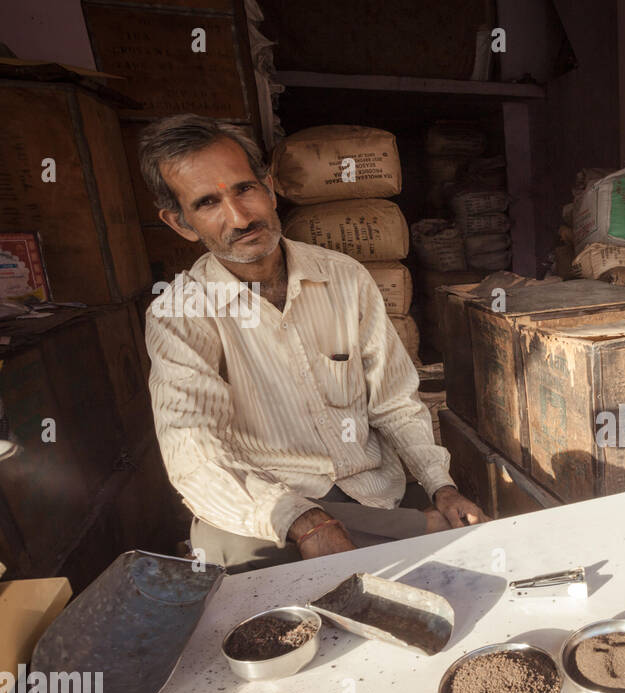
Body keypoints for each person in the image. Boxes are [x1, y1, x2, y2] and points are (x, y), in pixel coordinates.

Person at [138, 114, 485, 572]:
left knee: (462, 540)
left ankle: (407, 528)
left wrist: (441, 485)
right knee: (220, 541)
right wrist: (307, 522)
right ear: (181, 224)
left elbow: (395, 403)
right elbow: (194, 455)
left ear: (269, 186)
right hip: (278, 504)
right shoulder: (178, 312)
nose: (240, 217)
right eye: (207, 203)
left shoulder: (345, 277)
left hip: (374, 489)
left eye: (244, 189)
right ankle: (413, 532)